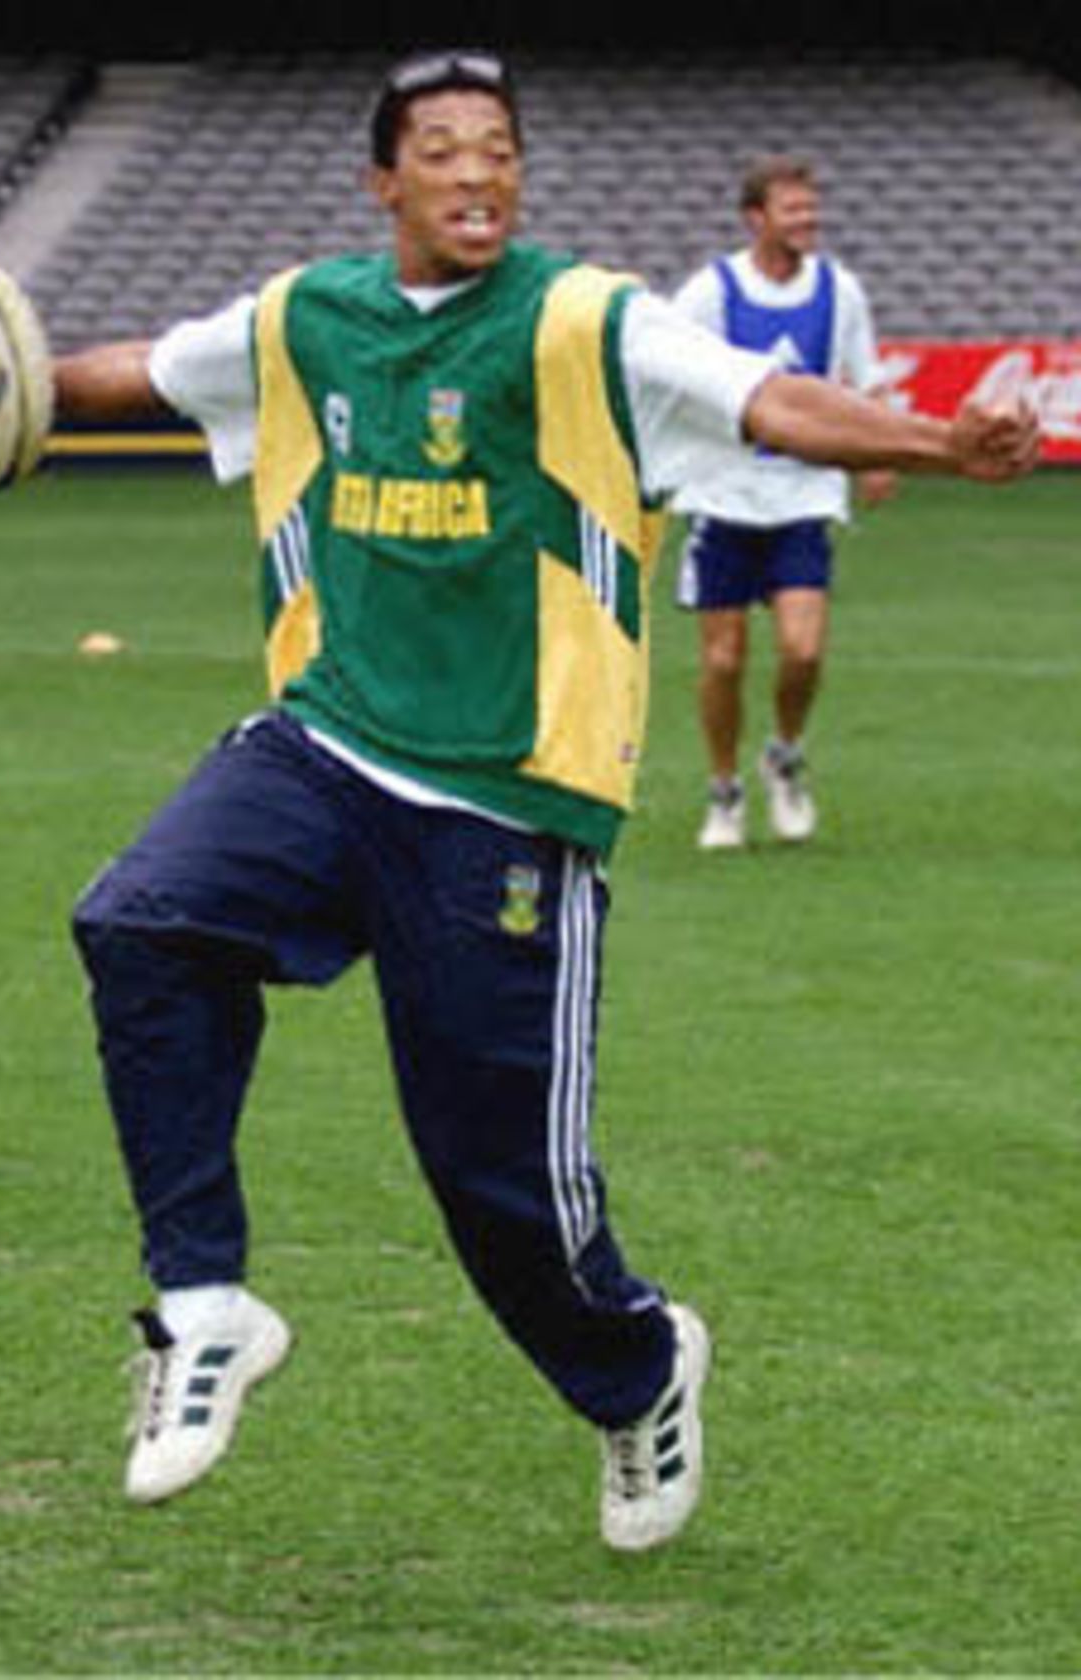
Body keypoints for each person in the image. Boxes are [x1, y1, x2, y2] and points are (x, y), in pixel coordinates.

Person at [52, 51, 1036, 1553]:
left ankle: (639, 1373)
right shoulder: (306, 316)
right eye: (440, 150)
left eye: (497, 149)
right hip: (326, 749)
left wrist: (938, 447)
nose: (474, 174)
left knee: (498, 1199)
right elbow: (139, 371)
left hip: (508, 807)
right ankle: (202, 1308)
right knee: (140, 922)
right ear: (384, 180)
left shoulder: (590, 321)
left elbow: (766, 400)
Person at [670, 154, 895, 851]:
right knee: (724, 661)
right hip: (724, 496)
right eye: (792, 208)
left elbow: (865, 379)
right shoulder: (711, 292)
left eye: (811, 207)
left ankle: (784, 758)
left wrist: (879, 452)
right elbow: (666, 367)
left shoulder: (840, 290)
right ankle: (723, 791)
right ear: (755, 218)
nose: (807, 219)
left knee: (802, 649)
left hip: (804, 493)